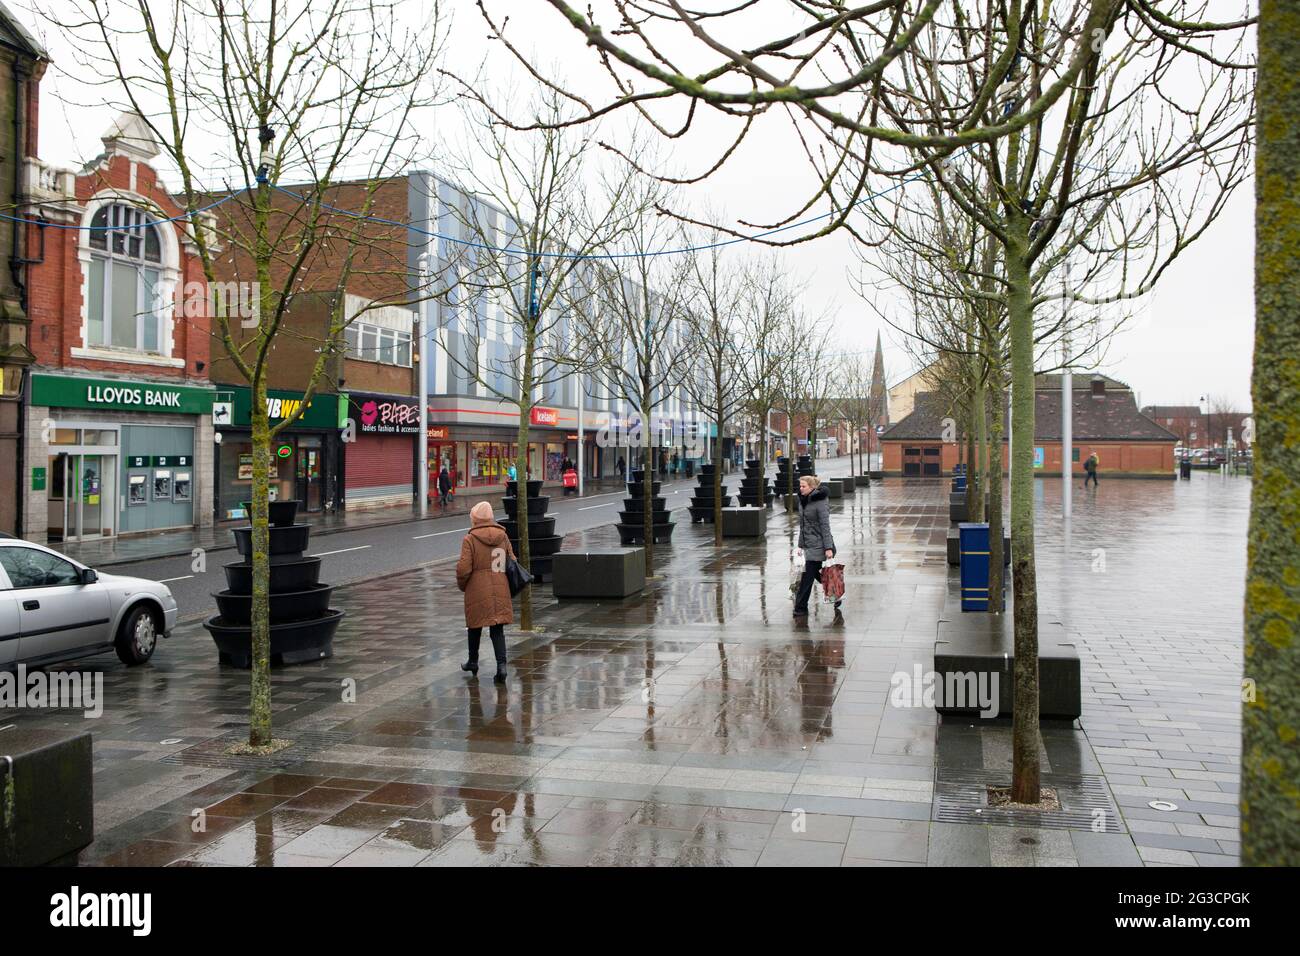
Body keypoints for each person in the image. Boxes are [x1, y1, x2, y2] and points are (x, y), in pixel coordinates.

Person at [456, 502, 515, 683]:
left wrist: (463, 584)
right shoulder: (502, 536)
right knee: (497, 629)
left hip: (477, 588)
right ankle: (502, 666)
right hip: (500, 586)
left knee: (474, 626)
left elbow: (464, 569)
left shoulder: (470, 539)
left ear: (475, 518)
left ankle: (473, 661)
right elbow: (511, 560)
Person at [794, 475, 837, 617]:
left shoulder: (820, 501)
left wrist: (829, 548)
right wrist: (800, 545)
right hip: (808, 544)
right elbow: (803, 525)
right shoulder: (802, 500)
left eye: (803, 486)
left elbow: (825, 526)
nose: (800, 489)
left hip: (820, 545)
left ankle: (800, 608)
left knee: (807, 576)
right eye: (800, 486)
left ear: (812, 488)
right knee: (818, 574)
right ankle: (836, 594)